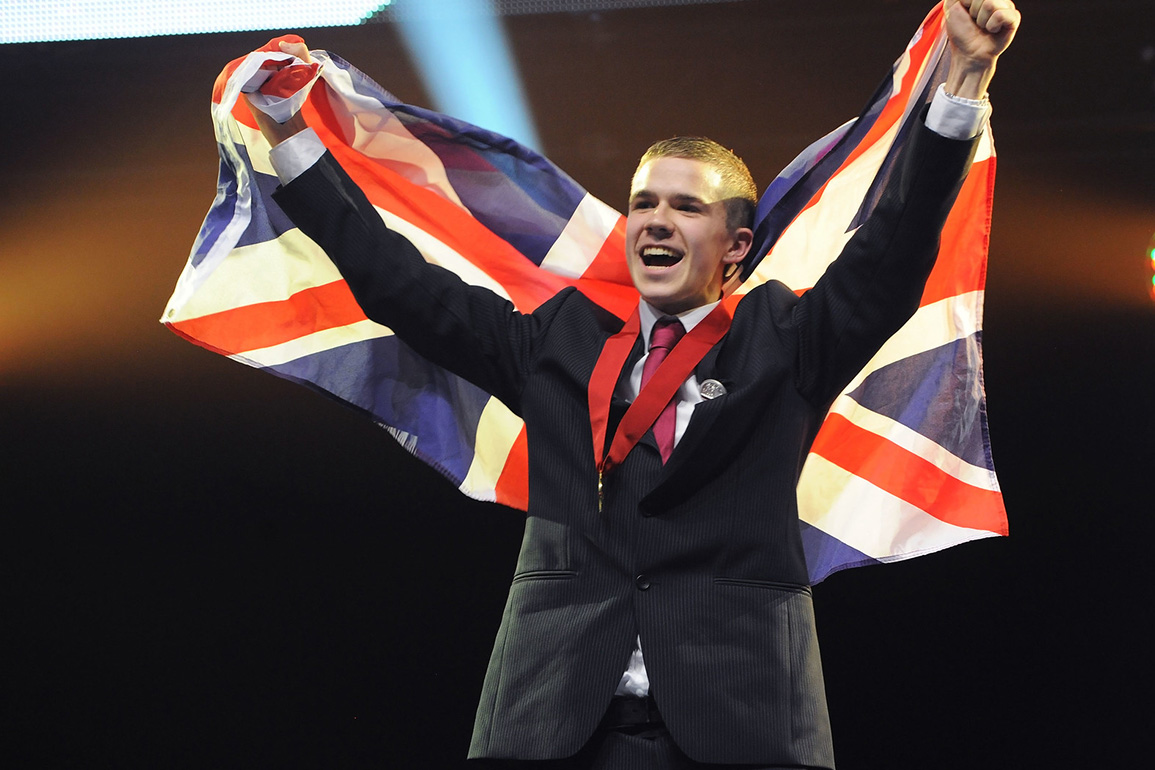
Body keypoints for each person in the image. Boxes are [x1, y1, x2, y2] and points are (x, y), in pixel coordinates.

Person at [246, 1, 1020, 767]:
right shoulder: (560, 339)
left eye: (686, 207)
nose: (655, 220)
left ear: (735, 247)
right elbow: (403, 288)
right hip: (557, 717)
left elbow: (893, 249)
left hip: (740, 720)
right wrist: (289, 133)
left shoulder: (783, 343)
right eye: (643, 203)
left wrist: (965, 75)